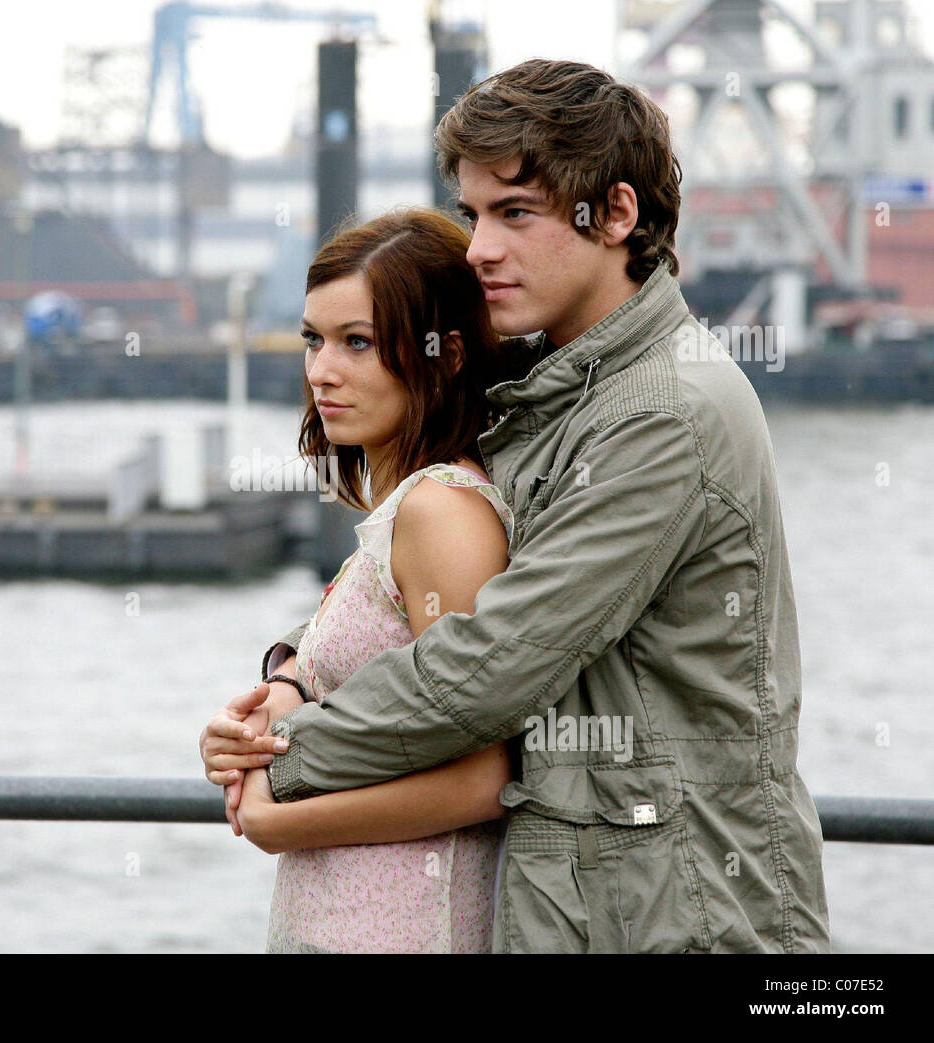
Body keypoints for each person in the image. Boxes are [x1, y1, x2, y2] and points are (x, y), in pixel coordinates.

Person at [201, 58, 831, 953]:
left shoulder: (665, 411)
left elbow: (493, 664)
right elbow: (397, 590)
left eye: (516, 213)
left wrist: (284, 756)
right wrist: (290, 675)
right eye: (471, 213)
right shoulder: (551, 390)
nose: (478, 248)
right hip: (584, 903)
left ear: (616, 214)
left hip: (683, 914)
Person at [224, 206, 533, 952]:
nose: (322, 370)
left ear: (447, 354)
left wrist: (275, 818)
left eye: (357, 342)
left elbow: (484, 777)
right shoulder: (406, 507)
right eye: (314, 339)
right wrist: (254, 725)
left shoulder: (443, 513)